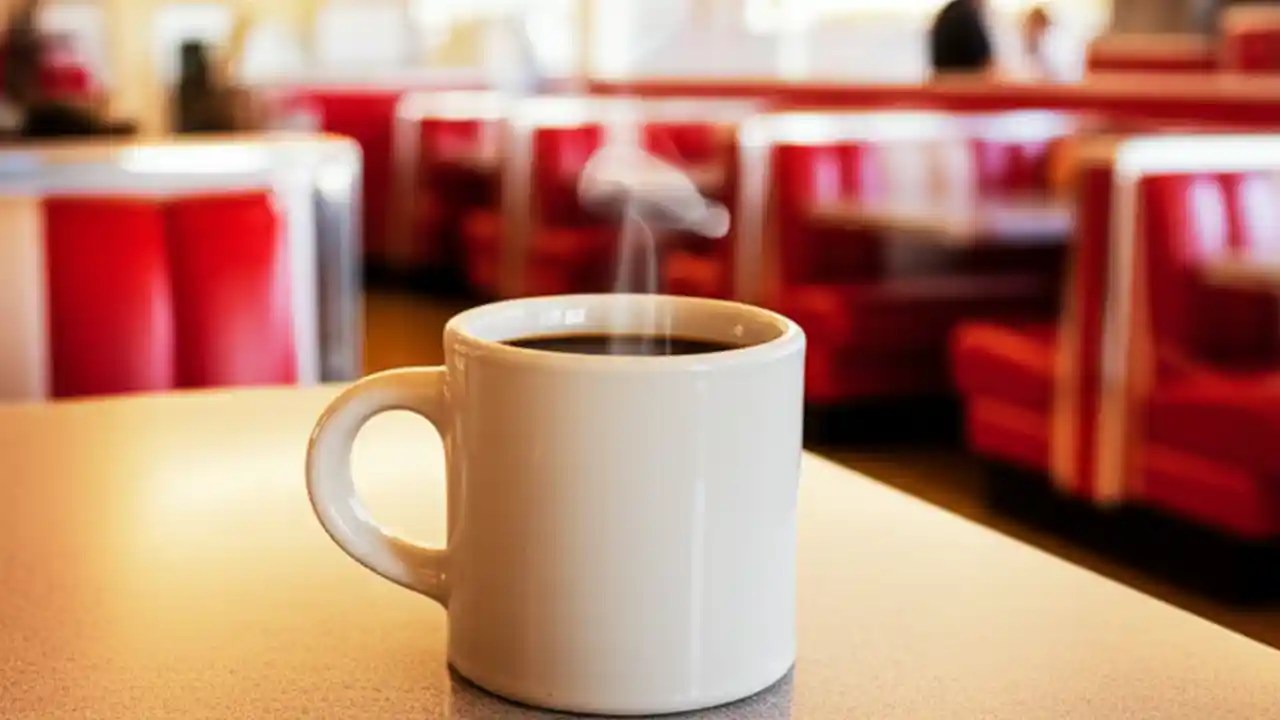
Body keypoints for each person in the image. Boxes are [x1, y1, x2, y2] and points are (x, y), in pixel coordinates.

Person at [929, 0, 993, 77]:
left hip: (945, 81)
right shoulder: (967, 15)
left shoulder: (947, 13)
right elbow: (986, 64)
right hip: (966, 82)